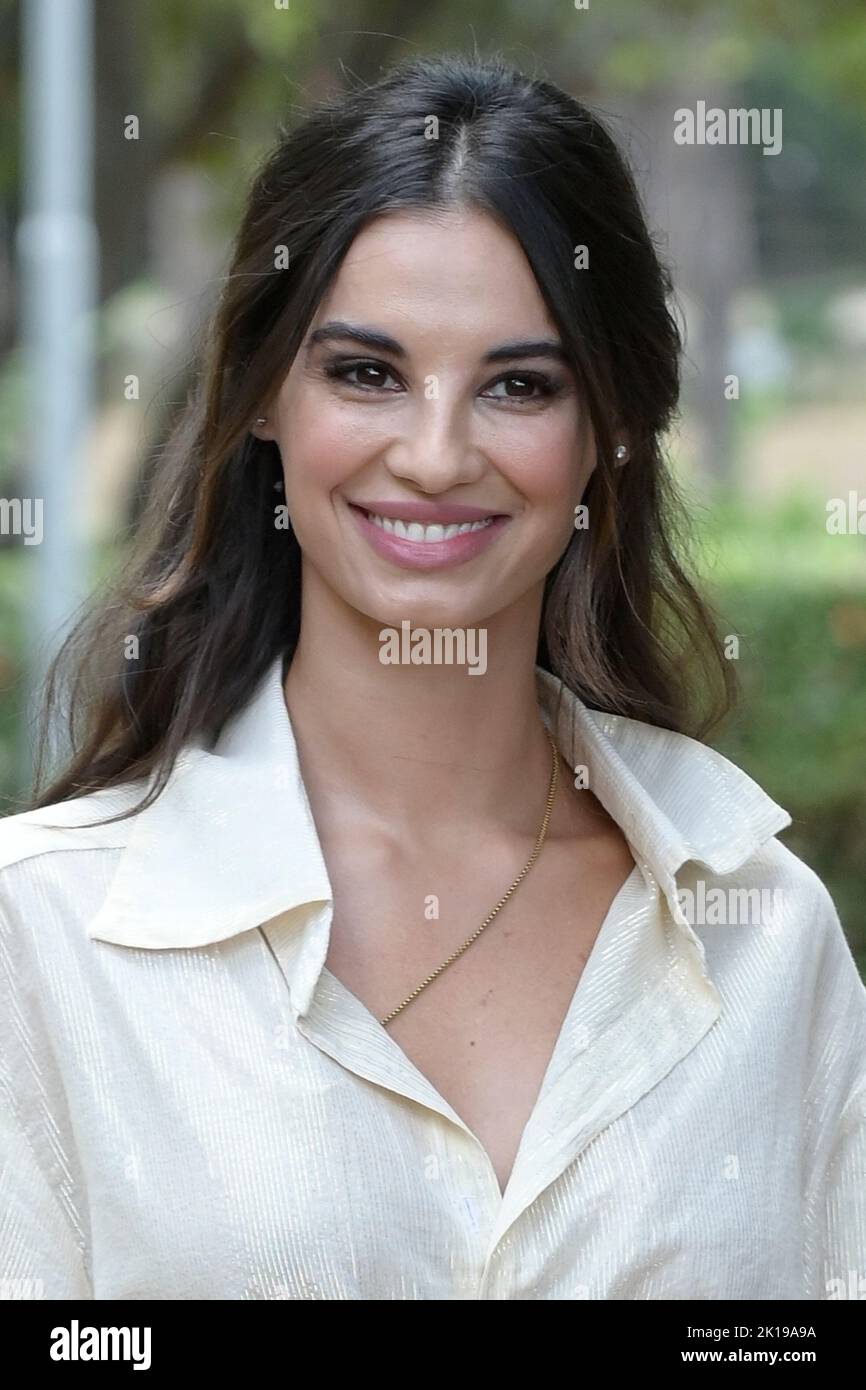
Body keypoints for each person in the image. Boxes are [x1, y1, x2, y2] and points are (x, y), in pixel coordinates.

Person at [1, 52, 864, 1302]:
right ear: (260, 398)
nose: (435, 452)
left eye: (518, 385)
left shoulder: (761, 932)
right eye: (365, 372)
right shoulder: (42, 939)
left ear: (607, 429)